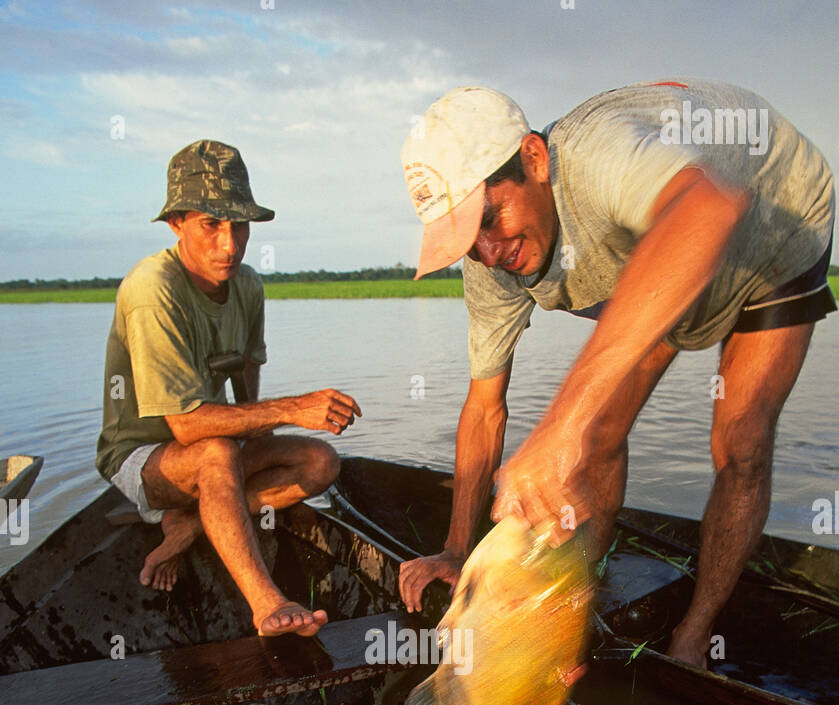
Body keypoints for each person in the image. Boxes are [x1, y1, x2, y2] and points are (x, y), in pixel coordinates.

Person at [399, 82, 835, 666]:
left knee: (742, 440)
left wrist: (559, 425)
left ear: (534, 159)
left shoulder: (599, 151)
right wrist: (456, 548)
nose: (489, 250)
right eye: (466, 241)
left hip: (772, 220)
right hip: (656, 256)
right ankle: (583, 597)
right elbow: (484, 408)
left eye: (490, 217)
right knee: (596, 435)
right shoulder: (489, 264)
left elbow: (707, 211)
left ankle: (695, 633)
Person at [96, 139, 362, 637]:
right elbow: (186, 425)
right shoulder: (153, 289)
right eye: (211, 225)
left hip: (209, 446)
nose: (229, 243)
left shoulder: (247, 286)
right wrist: (292, 410)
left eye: (238, 225)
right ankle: (267, 605)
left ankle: (192, 524)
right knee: (216, 450)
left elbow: (245, 378)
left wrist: (263, 442)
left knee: (319, 462)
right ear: (177, 223)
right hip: (143, 455)